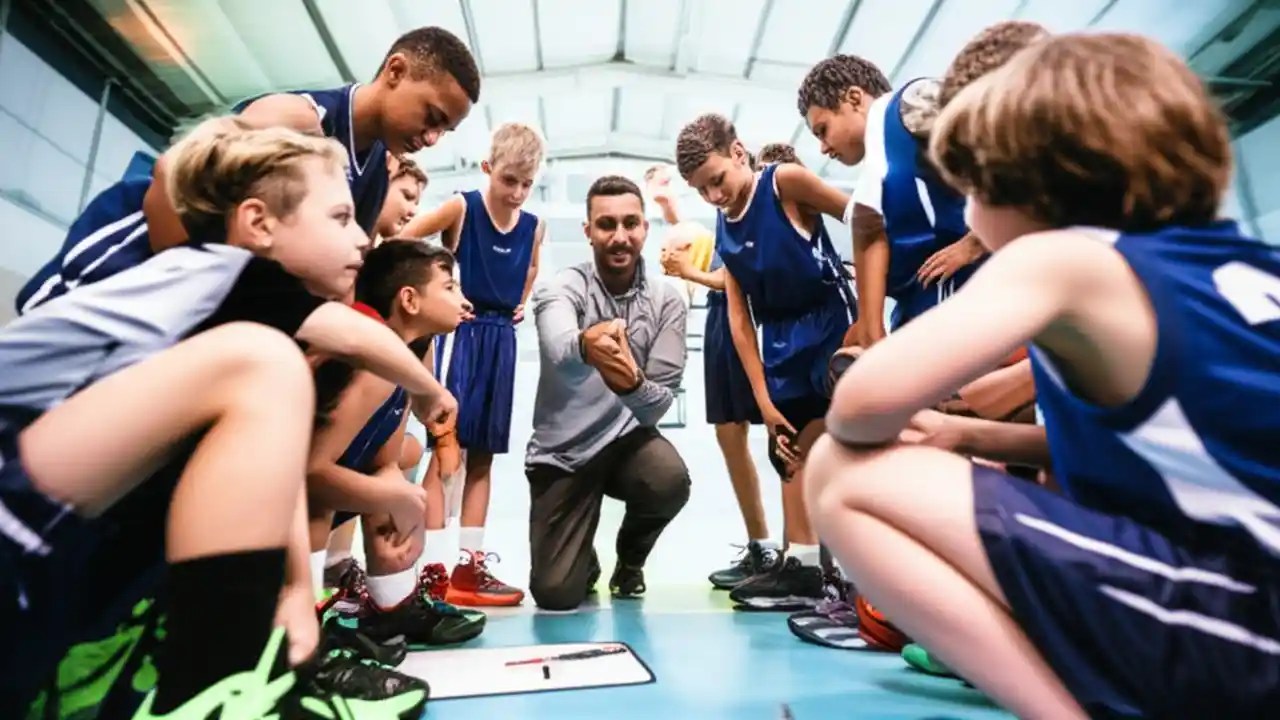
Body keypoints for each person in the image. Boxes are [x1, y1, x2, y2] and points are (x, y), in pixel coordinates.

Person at [806, 33, 1280, 718]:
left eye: (965, 183)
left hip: (1248, 636)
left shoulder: (1065, 260)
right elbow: (1177, 455)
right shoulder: (1241, 270)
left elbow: (859, 407)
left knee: (842, 473)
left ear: (1012, 179)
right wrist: (962, 433)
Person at [0, 121, 453, 717]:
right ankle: (217, 684)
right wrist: (428, 390)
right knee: (262, 362)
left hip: (43, 559)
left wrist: (296, 597)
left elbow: (275, 476)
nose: (362, 241)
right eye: (340, 219)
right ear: (259, 225)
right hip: (16, 524)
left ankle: (209, 673)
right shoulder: (219, 274)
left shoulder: (226, 314)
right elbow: (348, 333)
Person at [14, 26, 480, 314]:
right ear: (395, 72)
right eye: (432, 116)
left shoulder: (377, 172)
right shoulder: (300, 117)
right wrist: (178, 308)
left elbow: (338, 280)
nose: (433, 138)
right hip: (123, 270)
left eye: (447, 131)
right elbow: (169, 178)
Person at [676, 115, 855, 611]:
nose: (713, 196)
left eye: (716, 180)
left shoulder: (786, 183)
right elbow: (738, 318)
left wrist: (868, 322)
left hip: (828, 326)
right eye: (700, 190)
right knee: (788, 448)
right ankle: (800, 565)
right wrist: (763, 399)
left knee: (832, 447)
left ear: (738, 153)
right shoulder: (723, 219)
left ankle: (850, 568)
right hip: (777, 337)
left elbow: (864, 218)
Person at [307, 240, 488, 649]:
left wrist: (404, 503)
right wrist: (399, 495)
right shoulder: (370, 363)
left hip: (311, 491)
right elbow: (307, 473)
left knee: (393, 488)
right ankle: (300, 643)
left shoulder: (407, 357)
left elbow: (384, 461)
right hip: (269, 512)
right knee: (321, 506)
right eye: (449, 288)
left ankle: (391, 611)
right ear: (409, 299)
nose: (463, 301)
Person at [524, 175, 691, 611]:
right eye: (606, 224)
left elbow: (659, 403)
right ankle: (583, 558)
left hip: (624, 444)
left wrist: (630, 382)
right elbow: (559, 346)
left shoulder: (667, 301)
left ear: (645, 228)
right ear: (588, 231)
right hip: (562, 453)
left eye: (631, 223)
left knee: (668, 480)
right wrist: (589, 344)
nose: (620, 237)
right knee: (556, 595)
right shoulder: (561, 287)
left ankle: (630, 560)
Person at [400, 122, 547, 607]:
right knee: (448, 452)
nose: (518, 192)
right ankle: (431, 568)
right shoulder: (462, 206)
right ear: (488, 169)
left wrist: (522, 302)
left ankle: (468, 567)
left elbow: (529, 267)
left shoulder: (534, 226)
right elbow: (404, 242)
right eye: (509, 180)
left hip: (501, 337)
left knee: (483, 458)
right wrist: (446, 295)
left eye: (527, 183)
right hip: (459, 335)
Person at [647, 163, 774, 592]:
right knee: (728, 433)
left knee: (787, 438)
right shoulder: (721, 219)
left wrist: (691, 274)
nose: (714, 193)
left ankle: (800, 551)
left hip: (758, 321)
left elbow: (734, 277)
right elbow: (698, 244)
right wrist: (667, 203)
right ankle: (762, 546)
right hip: (721, 322)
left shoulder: (763, 216)